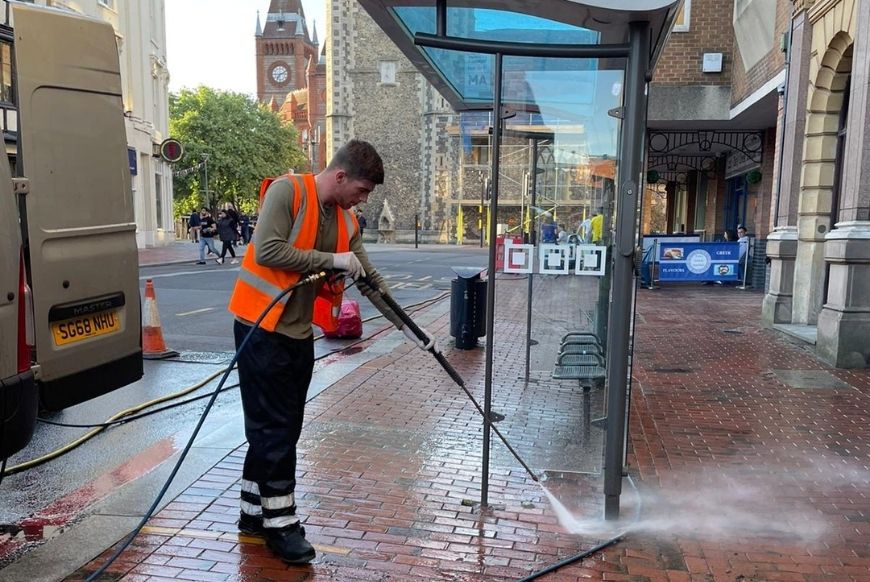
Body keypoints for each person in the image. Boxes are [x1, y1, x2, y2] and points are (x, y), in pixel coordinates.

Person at [226, 139, 436, 564]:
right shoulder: (288, 192)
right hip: (260, 329)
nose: (363, 200)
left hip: (297, 335)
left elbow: (369, 279)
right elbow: (267, 249)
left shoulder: (345, 221)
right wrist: (333, 260)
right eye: (361, 191)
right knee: (275, 432)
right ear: (340, 176)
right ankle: (281, 525)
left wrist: (408, 327)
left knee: (279, 429)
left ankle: (252, 513)